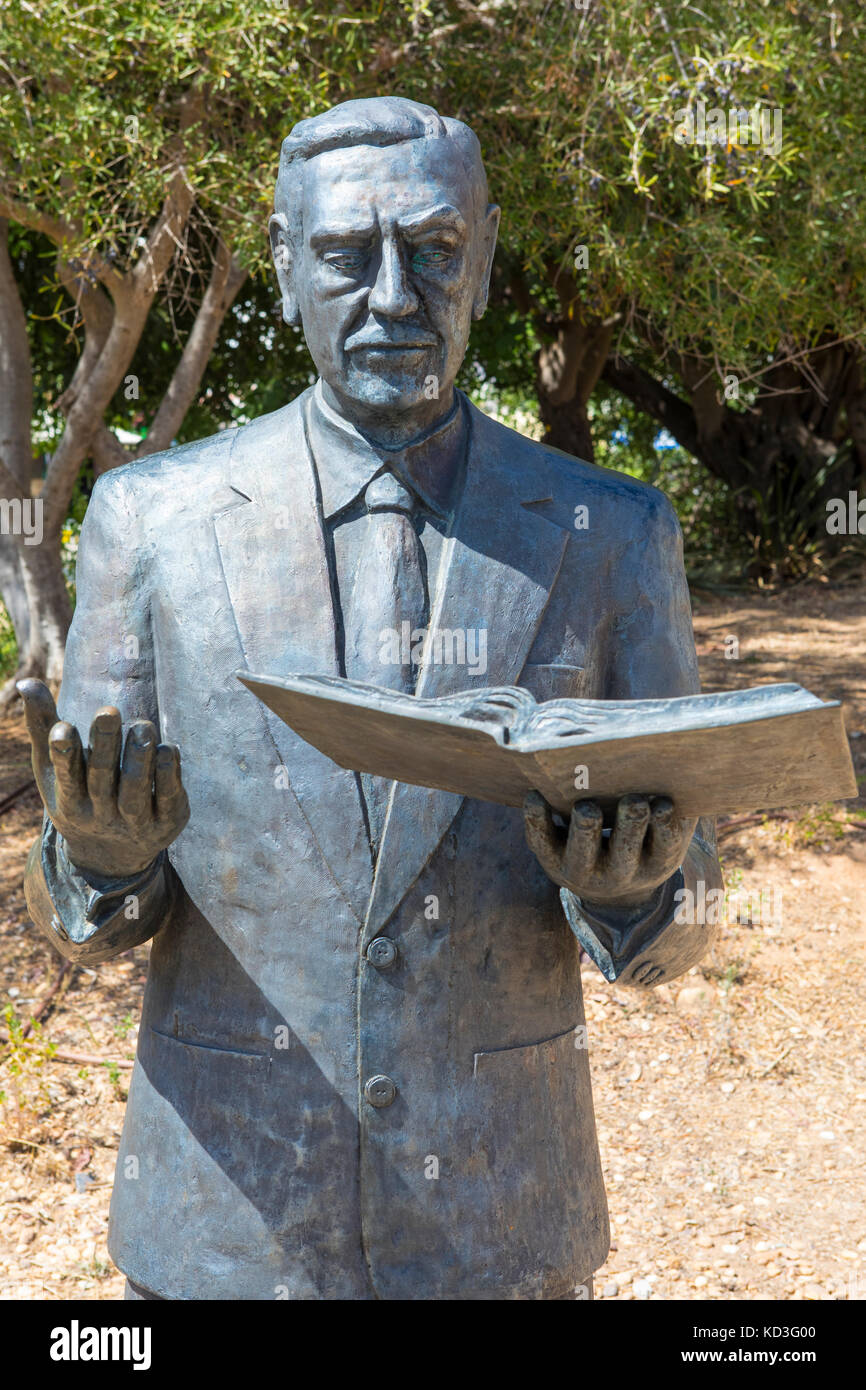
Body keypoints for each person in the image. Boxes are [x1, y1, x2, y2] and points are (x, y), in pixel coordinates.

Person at [20, 97, 721, 1300]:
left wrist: (640, 893)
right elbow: (72, 906)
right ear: (285, 269)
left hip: (502, 1221)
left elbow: (696, 907)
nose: (394, 295)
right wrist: (98, 859)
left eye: (435, 249)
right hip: (225, 1222)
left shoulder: (611, 532)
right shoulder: (154, 524)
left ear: (485, 261)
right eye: (347, 255)